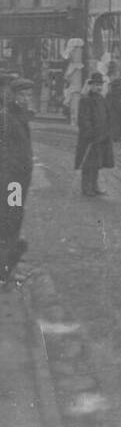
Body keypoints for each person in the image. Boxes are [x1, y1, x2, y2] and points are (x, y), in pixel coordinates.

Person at [0, 73, 33, 283]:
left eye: (29, 94)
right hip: (12, 181)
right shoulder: (6, 117)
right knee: (10, 223)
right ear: (13, 96)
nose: (27, 98)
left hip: (18, 179)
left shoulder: (18, 116)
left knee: (13, 222)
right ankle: (4, 274)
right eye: (23, 94)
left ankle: (7, 269)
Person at [74, 73, 113, 197]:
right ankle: (86, 188)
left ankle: (95, 186)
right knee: (87, 164)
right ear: (91, 86)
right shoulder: (85, 100)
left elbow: (107, 115)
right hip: (89, 138)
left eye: (100, 85)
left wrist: (107, 130)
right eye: (96, 85)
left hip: (102, 136)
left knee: (97, 163)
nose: (99, 87)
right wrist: (90, 133)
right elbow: (83, 119)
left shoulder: (101, 99)